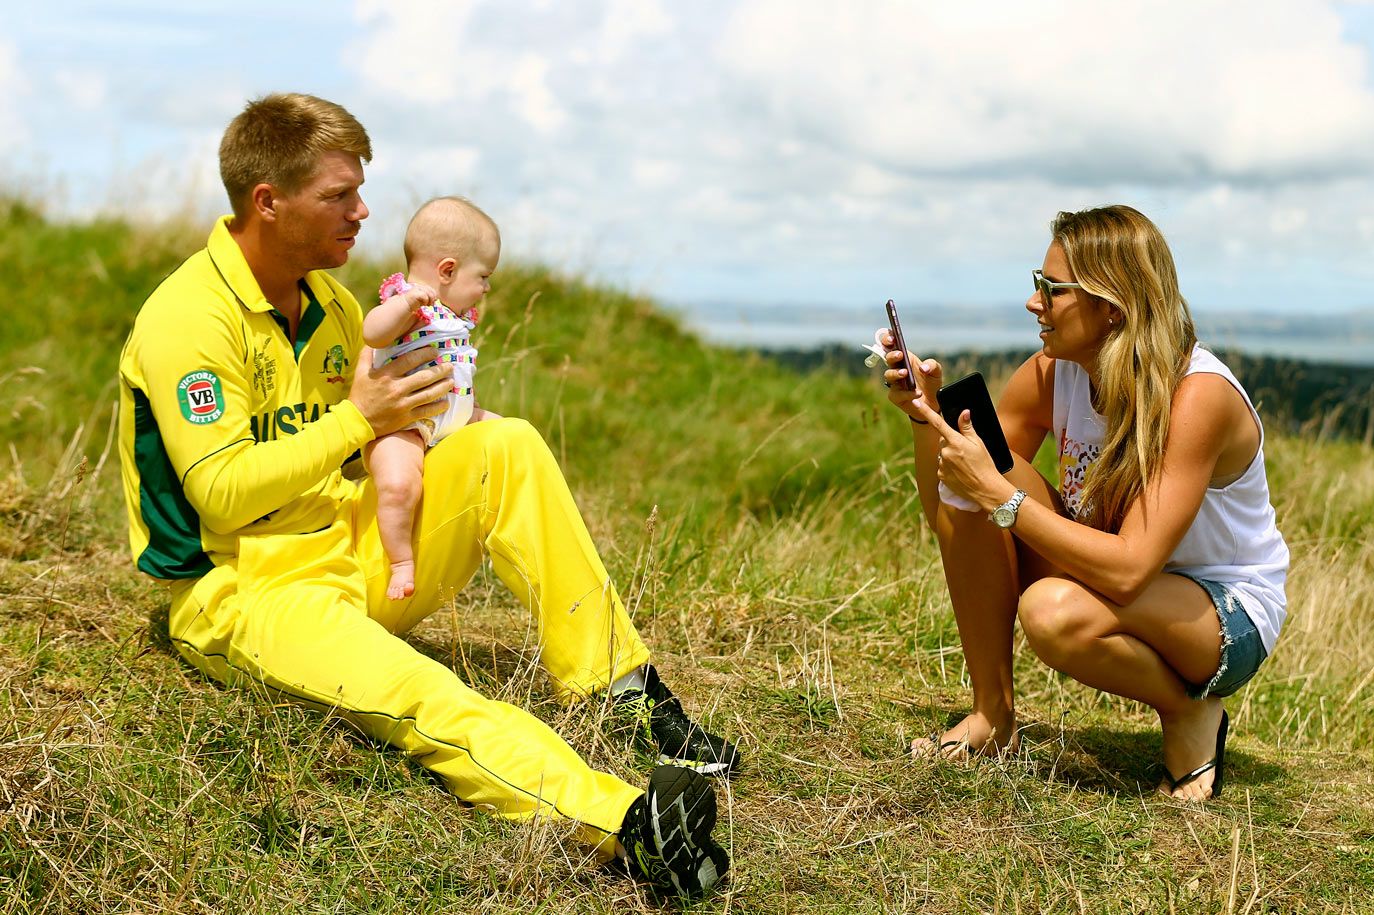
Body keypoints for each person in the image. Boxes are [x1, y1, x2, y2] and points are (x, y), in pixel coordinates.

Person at [116, 93, 738, 896]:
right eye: (338, 195)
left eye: (359, 190)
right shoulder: (187, 318)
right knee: (425, 691)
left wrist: (452, 426)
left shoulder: (339, 307)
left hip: (348, 544)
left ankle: (623, 694)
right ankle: (627, 826)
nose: (362, 210)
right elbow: (224, 495)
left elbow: (399, 436)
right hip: (240, 590)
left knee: (505, 443)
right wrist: (354, 421)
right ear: (267, 202)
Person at [879, 205, 1288, 801]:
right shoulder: (1052, 373)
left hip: (1221, 613)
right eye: (1036, 283)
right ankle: (992, 718)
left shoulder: (1197, 397)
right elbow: (958, 511)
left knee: (1051, 611)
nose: (1034, 301)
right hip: (1123, 575)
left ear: (1112, 305)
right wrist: (926, 418)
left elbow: (1127, 570)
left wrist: (1005, 499)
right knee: (986, 469)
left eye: (1052, 288)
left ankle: (1188, 712)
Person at [362, 196, 502, 600]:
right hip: (404, 426)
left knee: (512, 436)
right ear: (448, 270)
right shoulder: (406, 303)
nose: (487, 287)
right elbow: (373, 333)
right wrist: (403, 304)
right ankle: (401, 561)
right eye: (484, 277)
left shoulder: (454, 315)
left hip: (454, 417)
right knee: (399, 485)